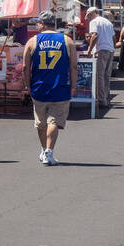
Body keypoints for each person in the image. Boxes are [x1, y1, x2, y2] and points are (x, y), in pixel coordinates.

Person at [24, 13, 77, 166]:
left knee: (41, 122)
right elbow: (74, 66)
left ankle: (43, 150)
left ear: (42, 24)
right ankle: (48, 151)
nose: (36, 26)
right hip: (60, 87)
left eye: (37, 23)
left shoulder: (32, 41)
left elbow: (26, 67)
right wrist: (73, 85)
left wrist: (28, 85)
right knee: (54, 121)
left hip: (39, 87)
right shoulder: (67, 41)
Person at [86, 7, 115, 109]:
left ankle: (102, 99)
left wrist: (89, 51)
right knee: (106, 76)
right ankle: (106, 98)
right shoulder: (107, 22)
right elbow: (113, 37)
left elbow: (94, 35)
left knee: (100, 75)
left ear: (91, 14)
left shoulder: (94, 22)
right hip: (110, 49)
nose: (88, 19)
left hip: (101, 49)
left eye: (88, 16)